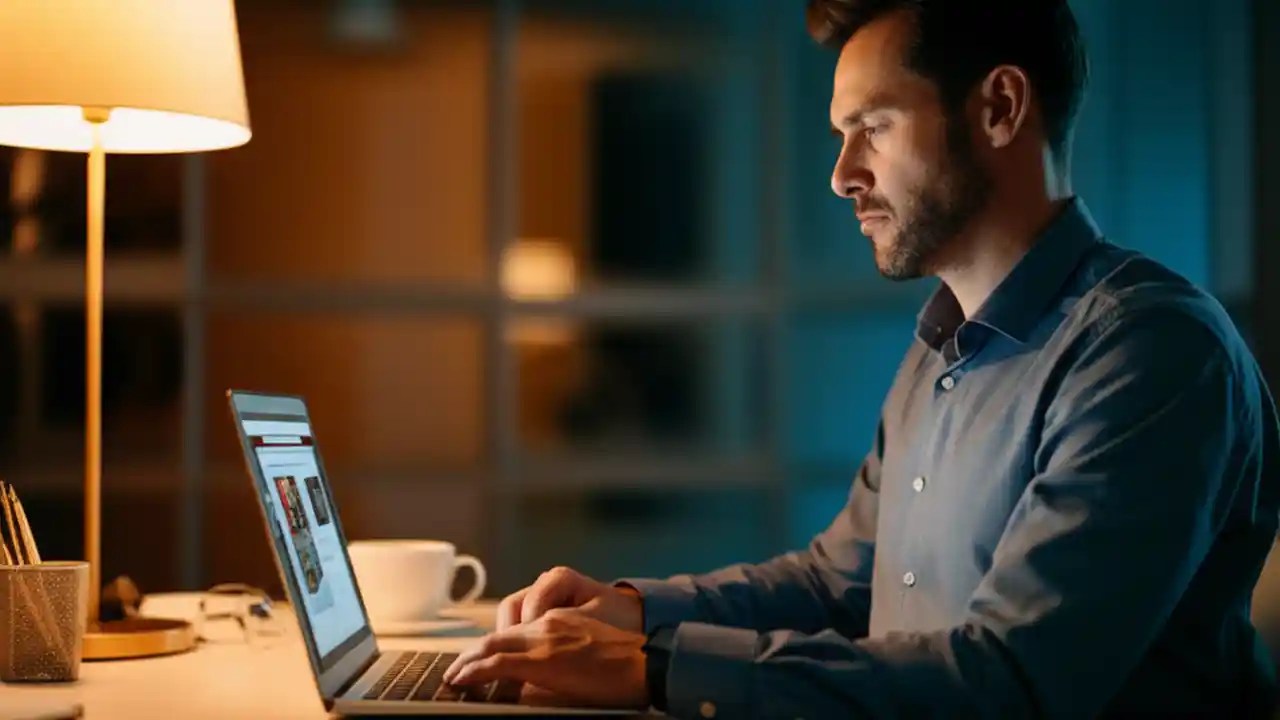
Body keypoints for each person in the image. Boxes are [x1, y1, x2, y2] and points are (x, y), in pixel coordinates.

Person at [443, 1, 1280, 716]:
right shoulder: (941, 346)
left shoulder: (1149, 352)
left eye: (874, 128)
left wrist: (654, 668)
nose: (842, 176)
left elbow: (1014, 682)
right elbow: (836, 584)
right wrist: (631, 611)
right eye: (844, 136)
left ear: (1000, 107)